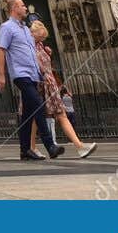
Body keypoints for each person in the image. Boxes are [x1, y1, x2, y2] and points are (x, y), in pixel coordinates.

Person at [0, 0, 60, 161]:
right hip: (20, 74)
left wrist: (42, 73)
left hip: (33, 74)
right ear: (14, 9)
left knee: (28, 114)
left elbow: (32, 54)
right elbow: (1, 50)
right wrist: (1, 74)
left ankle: (25, 150)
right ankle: (50, 145)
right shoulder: (6, 27)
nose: (26, 8)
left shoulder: (26, 29)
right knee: (39, 105)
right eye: (23, 6)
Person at [30, 21, 96, 157]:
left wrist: (48, 54)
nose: (42, 39)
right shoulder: (29, 47)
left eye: (44, 37)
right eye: (40, 37)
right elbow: (33, 64)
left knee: (61, 114)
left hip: (50, 84)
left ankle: (79, 146)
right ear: (33, 34)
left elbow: (49, 67)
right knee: (35, 117)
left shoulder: (41, 46)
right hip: (39, 84)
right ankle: (31, 147)